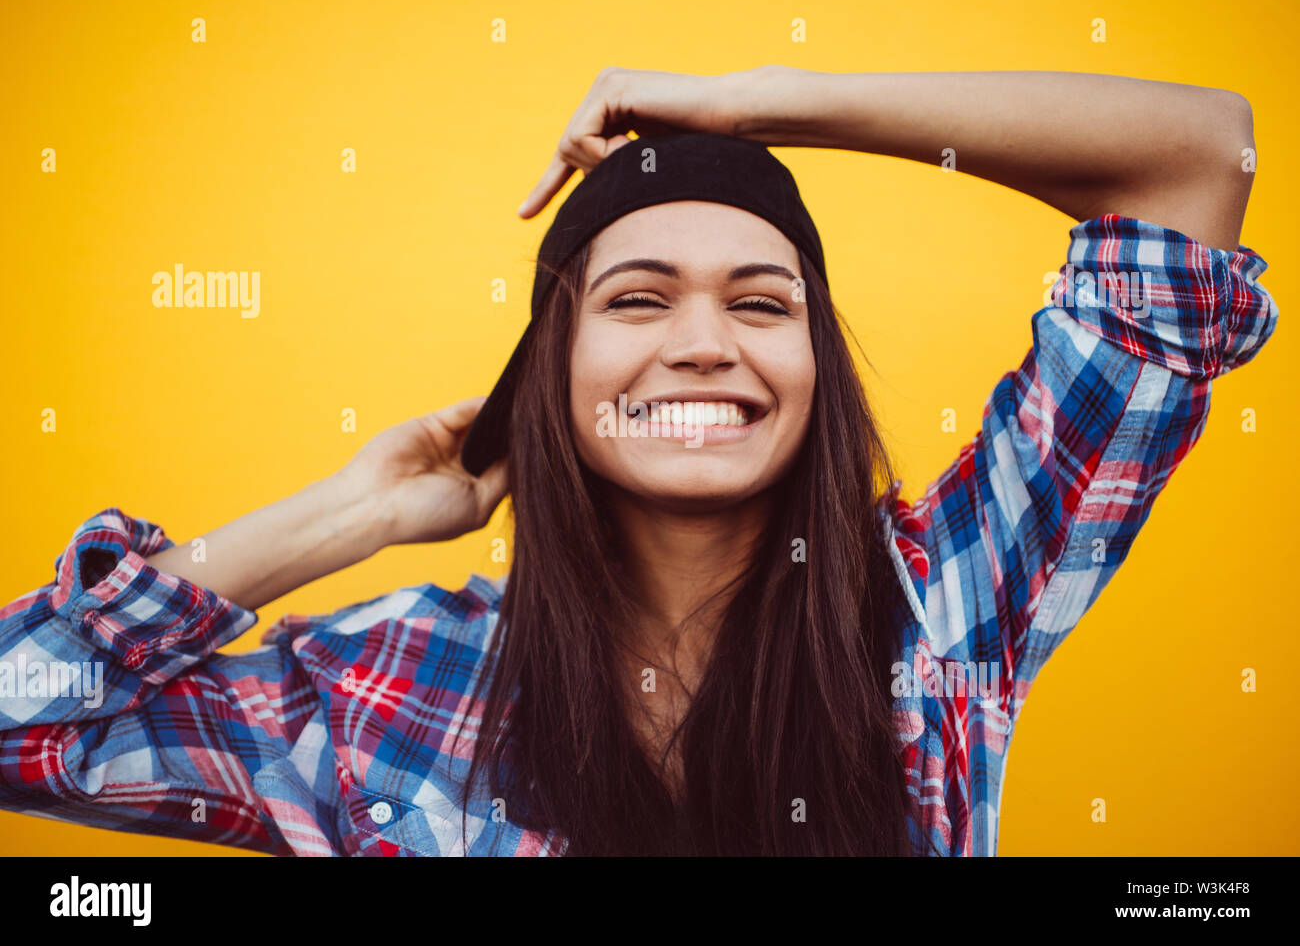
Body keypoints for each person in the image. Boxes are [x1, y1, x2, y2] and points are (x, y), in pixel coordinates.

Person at [0, 66, 1277, 856]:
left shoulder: (946, 603)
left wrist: (756, 106)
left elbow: (1195, 153)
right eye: (637, 300)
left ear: (817, 368)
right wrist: (353, 510)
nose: (706, 347)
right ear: (549, 371)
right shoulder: (382, 684)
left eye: (764, 304)